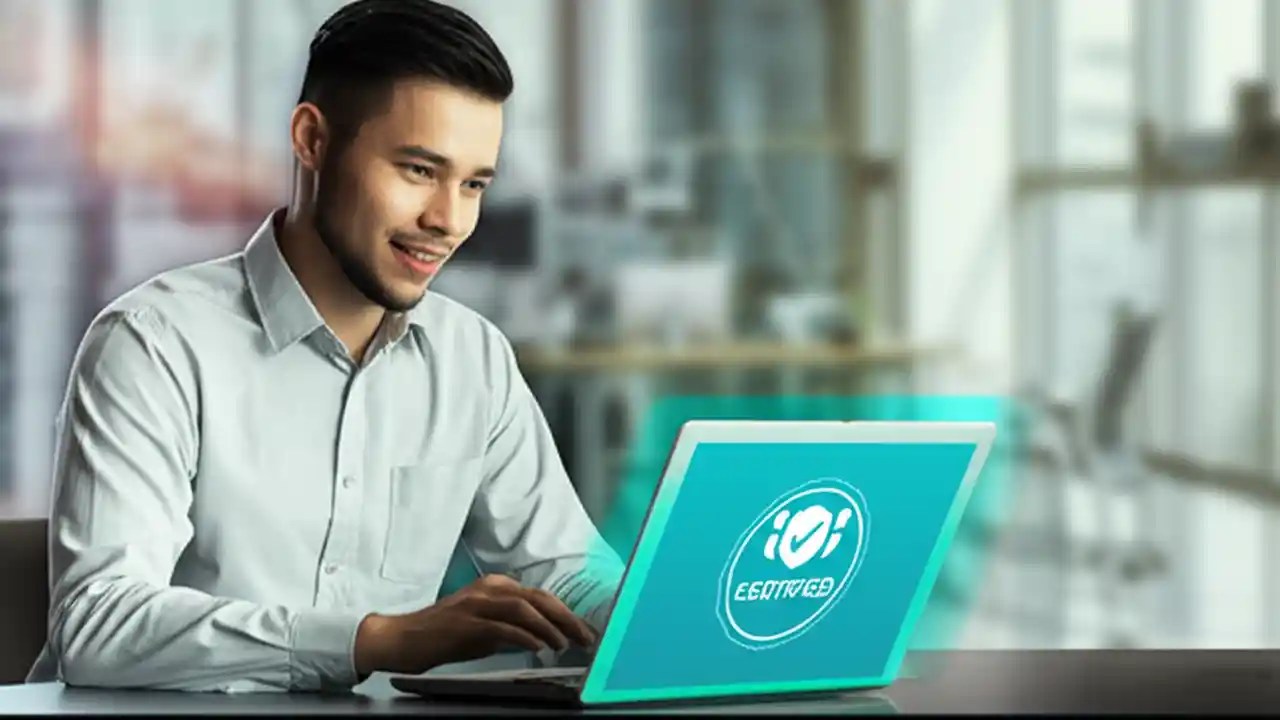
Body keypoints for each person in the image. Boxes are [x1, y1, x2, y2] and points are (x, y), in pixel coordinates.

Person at [27, 0, 624, 693]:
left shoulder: (475, 360)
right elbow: (98, 624)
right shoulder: (154, 345)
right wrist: (378, 640)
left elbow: (565, 574)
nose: (450, 220)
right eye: (418, 171)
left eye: (474, 184)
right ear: (312, 139)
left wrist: (670, 621)